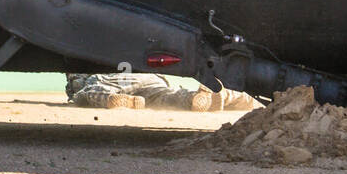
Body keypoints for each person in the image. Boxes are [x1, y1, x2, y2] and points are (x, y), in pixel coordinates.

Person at [64, 72, 258, 112]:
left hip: (109, 79)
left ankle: (121, 100)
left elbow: (79, 84)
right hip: (148, 76)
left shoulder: (79, 72)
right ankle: (196, 97)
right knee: (167, 97)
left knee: (86, 94)